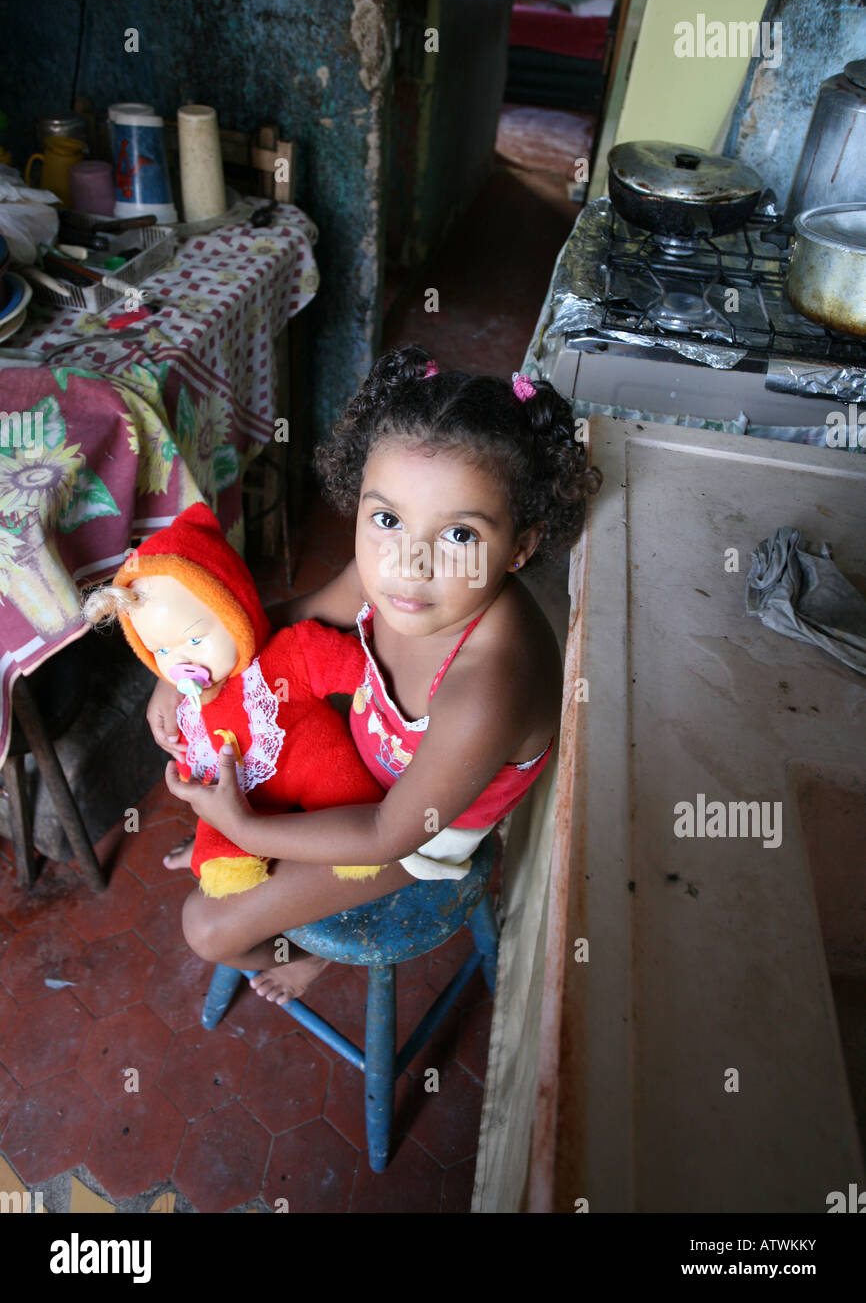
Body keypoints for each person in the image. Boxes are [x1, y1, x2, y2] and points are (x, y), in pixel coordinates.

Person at [147, 345, 601, 1005]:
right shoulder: (380, 574)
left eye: (460, 536)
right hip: (357, 760)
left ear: (522, 546)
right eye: (387, 519)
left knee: (207, 925)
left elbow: (387, 832)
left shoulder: (485, 688)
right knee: (238, 739)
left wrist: (246, 829)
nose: (408, 564)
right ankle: (257, 836)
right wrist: (194, 666)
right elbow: (284, 624)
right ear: (358, 502)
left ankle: (304, 952)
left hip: (410, 833)